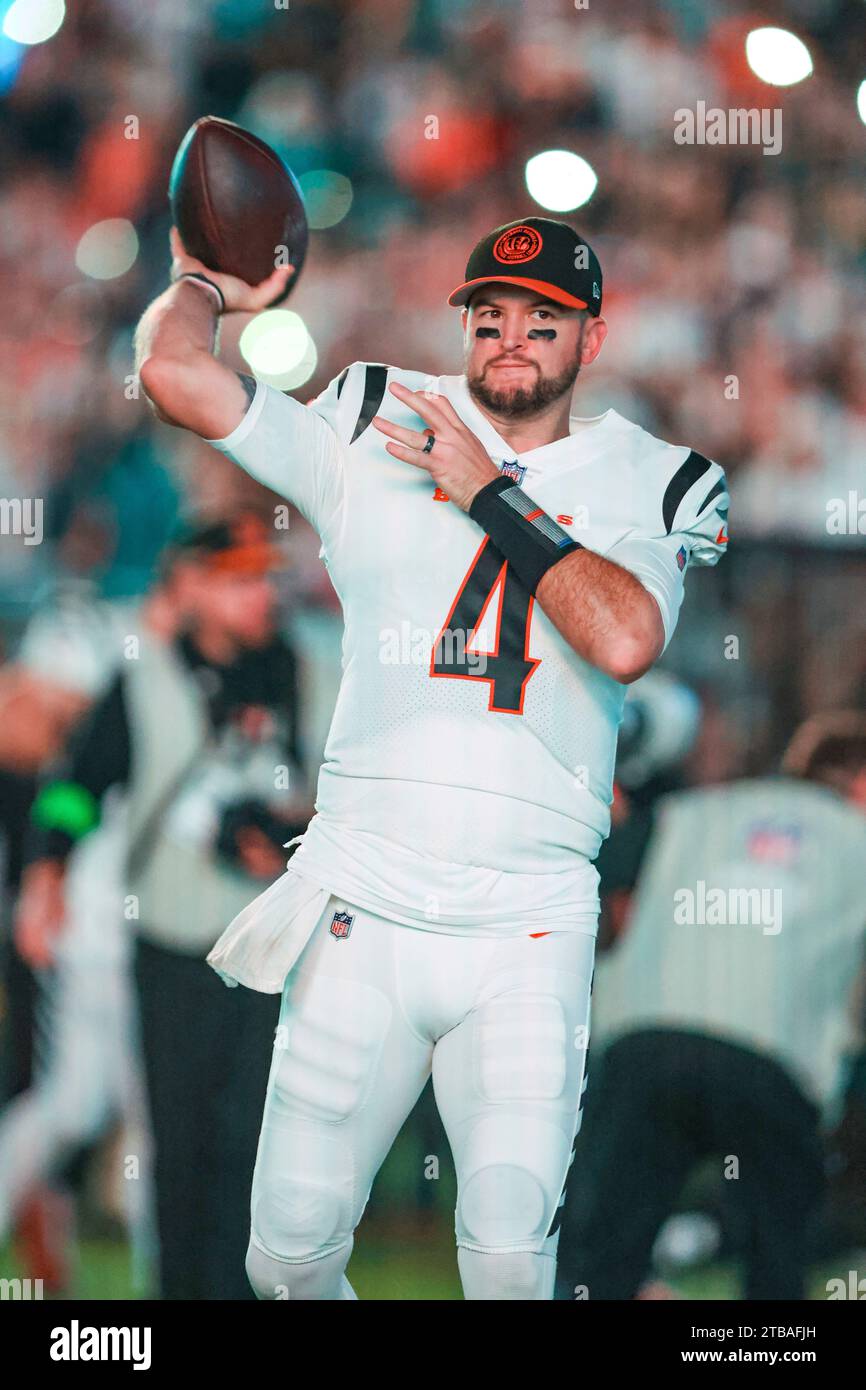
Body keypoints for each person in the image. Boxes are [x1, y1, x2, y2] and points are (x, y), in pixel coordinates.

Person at [135, 215, 729, 1300]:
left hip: (530, 914)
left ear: (587, 339)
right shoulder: (375, 411)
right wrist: (199, 283)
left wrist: (488, 491)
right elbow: (173, 374)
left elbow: (625, 637)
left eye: (539, 321)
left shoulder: (657, 476)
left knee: (508, 1260)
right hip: (364, 889)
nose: (509, 338)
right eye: (488, 316)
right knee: (287, 1254)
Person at [16, 517, 310, 1299]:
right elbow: (81, 785)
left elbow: (323, 785)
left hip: (270, 944)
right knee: (176, 1144)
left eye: (266, 577)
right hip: (171, 938)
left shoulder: (296, 668)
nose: (262, 595)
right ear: (196, 586)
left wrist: (284, 832)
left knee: (256, 1141)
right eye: (242, 579)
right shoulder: (145, 673)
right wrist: (46, 877)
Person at [557, 711, 866, 1301]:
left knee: (596, 1262)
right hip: (774, 1061)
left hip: (643, 1041)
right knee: (777, 1263)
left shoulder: (692, 813)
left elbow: (602, 892)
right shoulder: (856, 840)